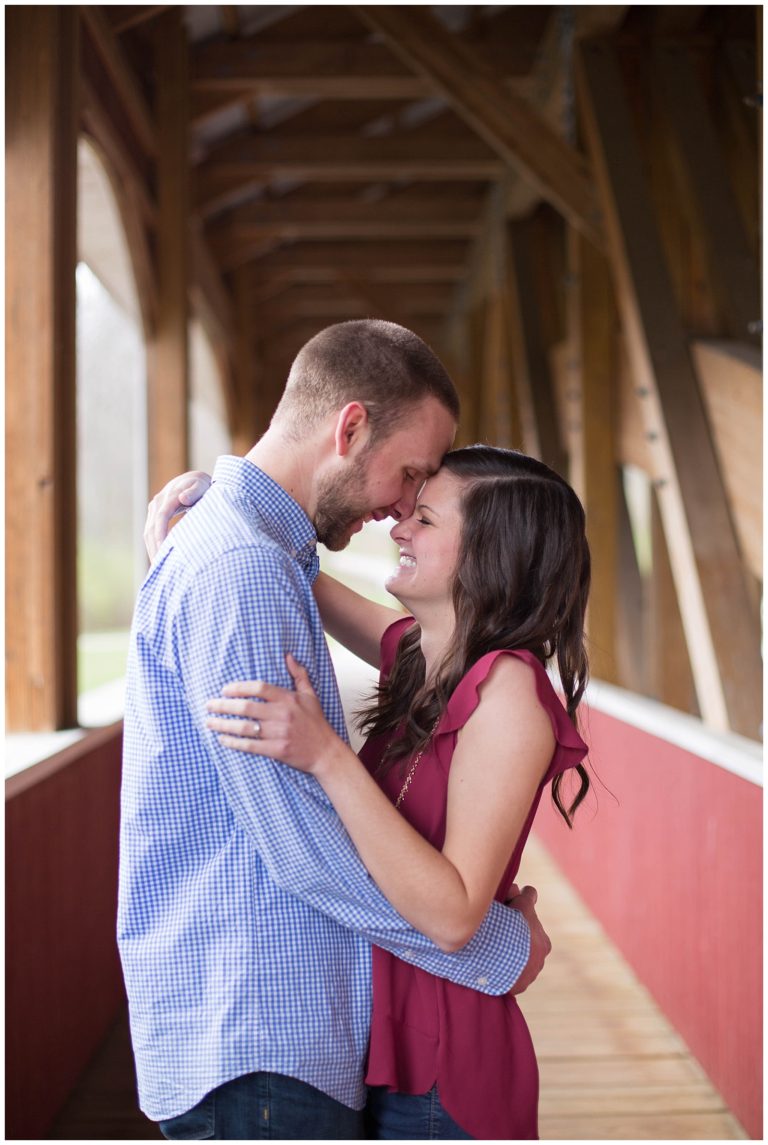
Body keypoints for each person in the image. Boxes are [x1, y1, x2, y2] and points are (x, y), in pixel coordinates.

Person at [120, 320, 552, 1142]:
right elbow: (302, 843)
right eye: (410, 475)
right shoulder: (243, 568)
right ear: (350, 427)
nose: (400, 510)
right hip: (261, 1032)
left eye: (426, 509)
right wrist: (497, 948)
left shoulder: (256, 561)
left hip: (301, 1036)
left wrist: (214, 521)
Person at [203, 446, 591, 1140]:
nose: (399, 527)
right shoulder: (422, 655)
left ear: (492, 554)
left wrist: (327, 756)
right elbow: (282, 568)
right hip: (379, 1038)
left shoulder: (506, 694)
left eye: (425, 519)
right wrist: (213, 507)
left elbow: (454, 915)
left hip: (445, 1065)